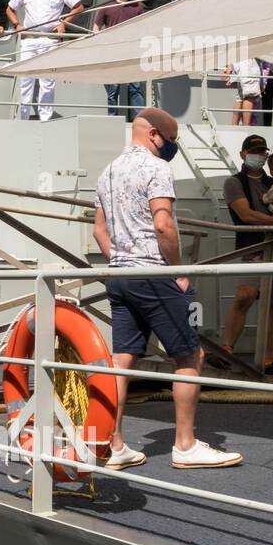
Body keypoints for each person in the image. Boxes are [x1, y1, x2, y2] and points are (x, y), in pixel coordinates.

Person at [93, 107, 244, 470]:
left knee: (123, 359)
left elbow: (99, 230)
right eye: (172, 141)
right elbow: (163, 225)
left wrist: (122, 260)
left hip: (119, 275)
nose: (171, 148)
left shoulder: (108, 171)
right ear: (154, 135)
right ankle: (186, 445)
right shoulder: (157, 168)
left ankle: (112, 445)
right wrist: (177, 270)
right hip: (153, 273)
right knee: (190, 357)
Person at [217, 135, 273, 379]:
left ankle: (269, 361)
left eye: (261, 152)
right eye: (253, 151)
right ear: (243, 154)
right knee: (245, 295)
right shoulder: (234, 183)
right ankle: (226, 351)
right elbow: (246, 215)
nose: (258, 155)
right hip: (253, 248)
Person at [6, 0, 83, 122]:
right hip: (29, 40)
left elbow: (78, 6)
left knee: (47, 81)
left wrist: (63, 23)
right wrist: (17, 24)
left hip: (50, 39)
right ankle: (23, 119)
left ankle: (45, 120)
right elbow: (10, 8)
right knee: (25, 80)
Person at [93, 0, 147, 120]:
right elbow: (96, 27)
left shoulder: (138, 7)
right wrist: (100, 43)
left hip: (130, 52)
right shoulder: (108, 6)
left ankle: (140, 119)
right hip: (111, 53)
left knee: (135, 87)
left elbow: (143, 27)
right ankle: (113, 119)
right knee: (113, 89)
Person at [223, 57, 261, 125]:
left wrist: (230, 66)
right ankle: (246, 129)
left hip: (240, 59)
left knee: (240, 97)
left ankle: (234, 127)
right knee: (250, 94)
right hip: (248, 60)